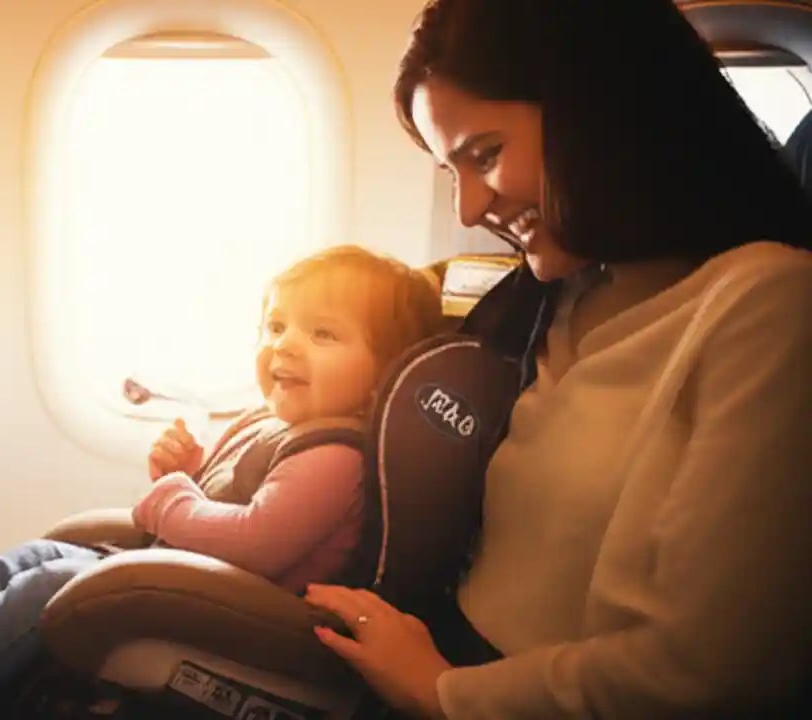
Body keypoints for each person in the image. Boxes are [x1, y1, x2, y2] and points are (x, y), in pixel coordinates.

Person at [304, 1, 812, 718]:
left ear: (601, 111)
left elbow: (708, 670)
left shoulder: (766, 303)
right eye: (451, 170)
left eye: (485, 155)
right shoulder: (557, 297)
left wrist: (434, 689)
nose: (470, 207)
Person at [0, 245, 442, 719]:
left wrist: (169, 497)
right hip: (213, 585)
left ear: (380, 371)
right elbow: (226, 510)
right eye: (276, 324)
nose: (283, 344)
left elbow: (254, 544)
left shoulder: (335, 457)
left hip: (256, 622)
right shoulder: (277, 426)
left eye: (322, 334)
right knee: (41, 560)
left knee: (52, 586)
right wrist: (186, 475)